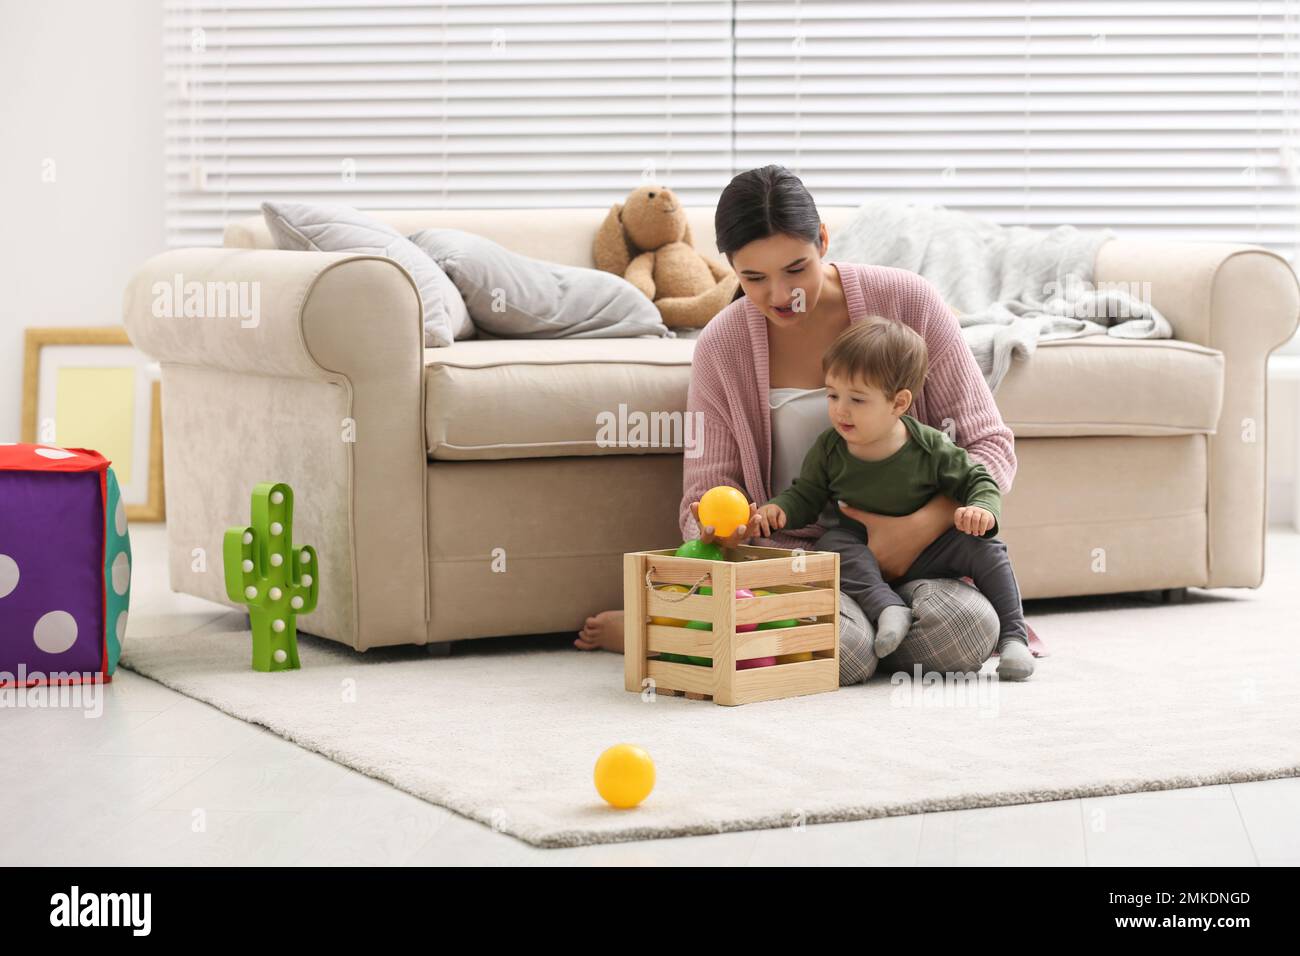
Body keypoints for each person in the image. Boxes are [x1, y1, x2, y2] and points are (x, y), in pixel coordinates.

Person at [578, 164, 1018, 683]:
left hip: (927, 551)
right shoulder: (724, 345)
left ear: (824, 240)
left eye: (795, 268)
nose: (781, 295)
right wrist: (727, 522)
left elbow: (987, 445)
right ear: (730, 268)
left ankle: (708, 631)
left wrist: (919, 527)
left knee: (966, 630)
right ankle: (675, 627)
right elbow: (706, 490)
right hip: (806, 561)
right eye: (754, 278)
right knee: (848, 649)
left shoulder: (908, 301)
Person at [758, 318, 1034, 680]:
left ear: (898, 402)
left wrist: (981, 508)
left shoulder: (929, 446)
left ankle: (1014, 637)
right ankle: (887, 607)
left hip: (931, 551)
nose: (840, 410)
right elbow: (806, 494)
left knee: (987, 547)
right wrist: (778, 510)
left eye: (857, 399)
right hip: (863, 548)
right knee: (834, 544)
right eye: (832, 394)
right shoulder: (830, 448)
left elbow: (978, 478)